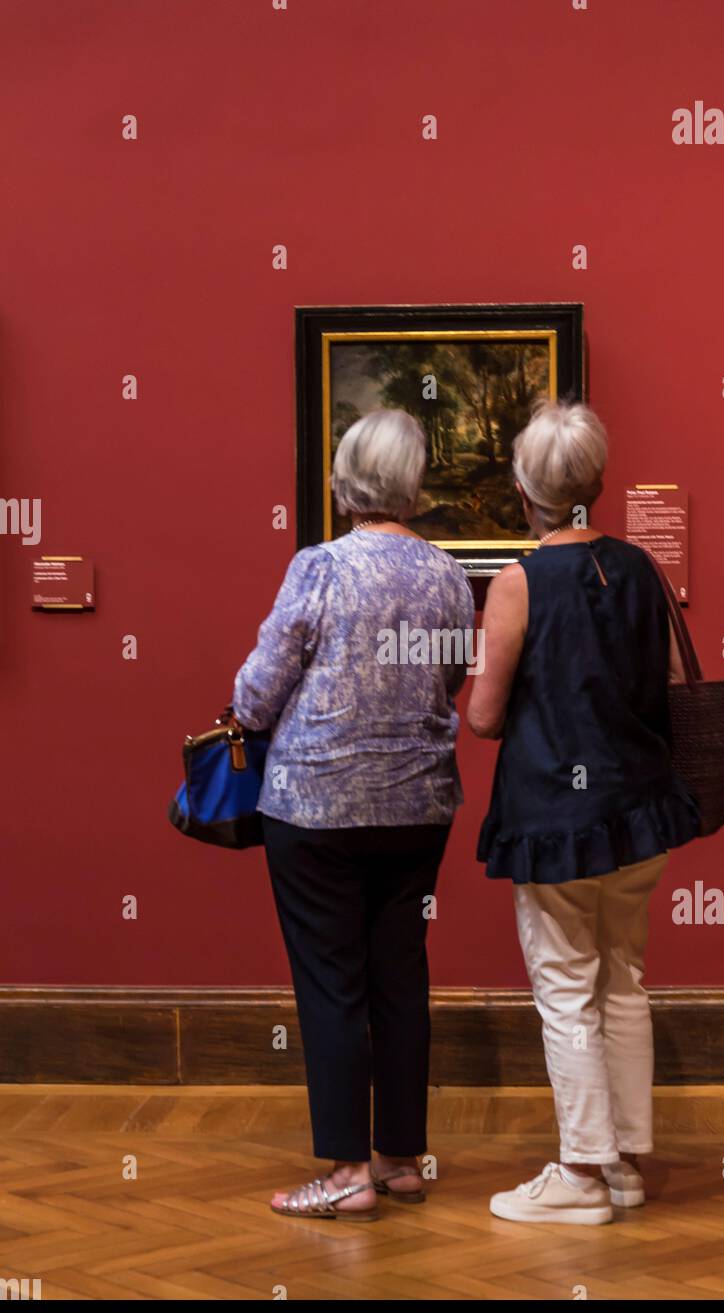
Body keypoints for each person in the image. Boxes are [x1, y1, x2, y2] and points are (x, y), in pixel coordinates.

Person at [233, 408, 474, 1221]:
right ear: (413, 484)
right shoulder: (446, 574)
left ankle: (343, 1174)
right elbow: (449, 685)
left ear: (345, 482)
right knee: (400, 978)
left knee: (332, 985)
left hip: (318, 808)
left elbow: (258, 692)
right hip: (418, 806)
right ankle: (401, 1158)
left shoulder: (320, 566)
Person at [467, 400, 699, 1225]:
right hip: (640, 811)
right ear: (593, 484)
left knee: (565, 988)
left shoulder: (517, 582)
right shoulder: (641, 571)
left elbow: (484, 717)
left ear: (526, 490)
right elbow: (676, 689)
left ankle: (580, 1175)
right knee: (623, 980)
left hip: (555, 821)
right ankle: (627, 1163)